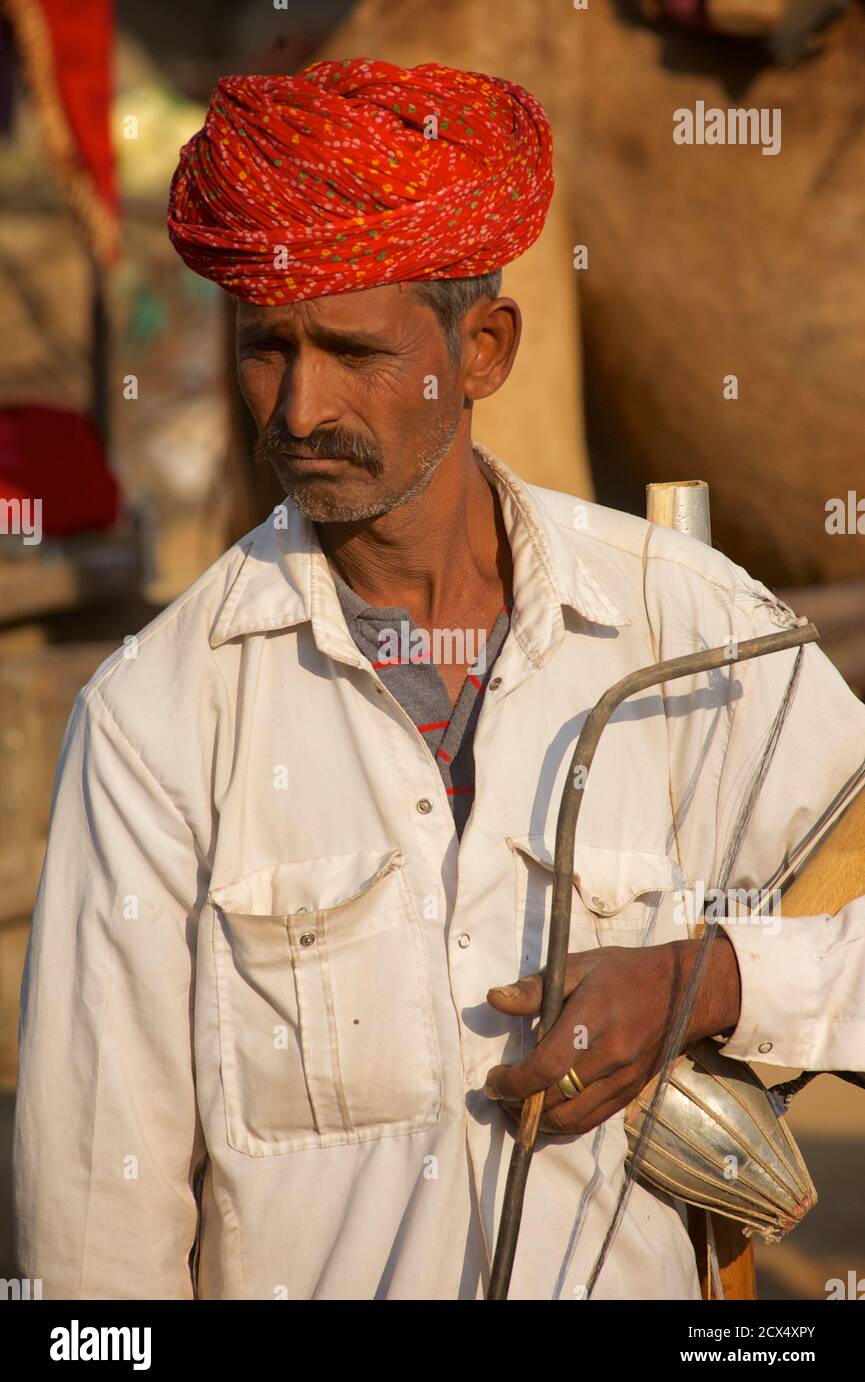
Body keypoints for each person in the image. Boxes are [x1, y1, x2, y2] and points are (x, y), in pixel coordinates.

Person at [14, 58, 865, 1300]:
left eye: (352, 351)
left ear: (485, 350)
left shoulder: (689, 630)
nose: (299, 408)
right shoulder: (158, 718)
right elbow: (95, 1225)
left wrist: (713, 980)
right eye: (266, 351)